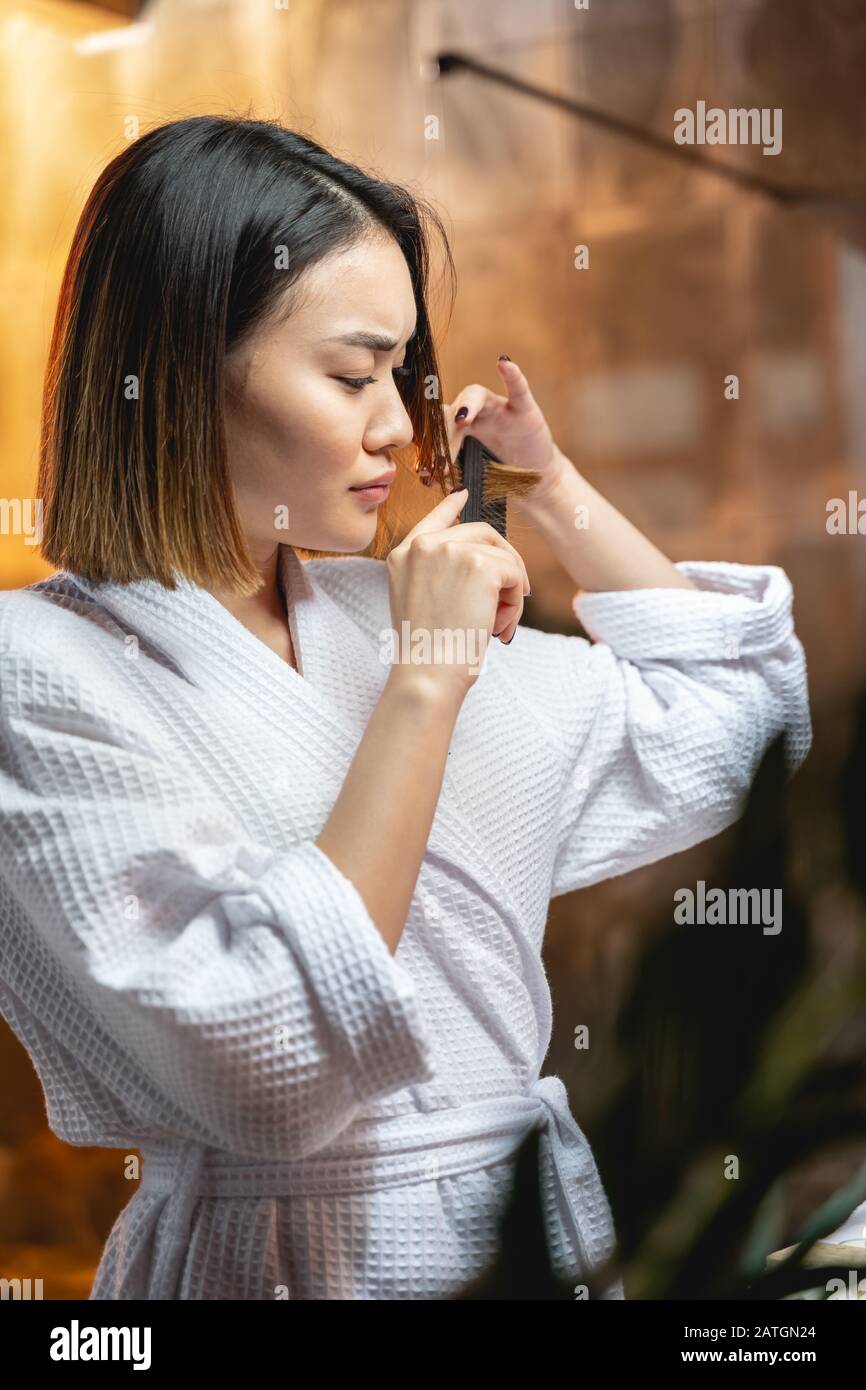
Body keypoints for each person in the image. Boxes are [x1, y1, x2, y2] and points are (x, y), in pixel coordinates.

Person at [0, 116, 811, 1300]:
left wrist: (548, 488)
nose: (396, 423)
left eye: (399, 372)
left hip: (527, 1248)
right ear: (181, 372)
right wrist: (425, 678)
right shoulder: (42, 669)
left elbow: (745, 723)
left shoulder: (382, 608)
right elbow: (264, 1063)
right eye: (347, 374)